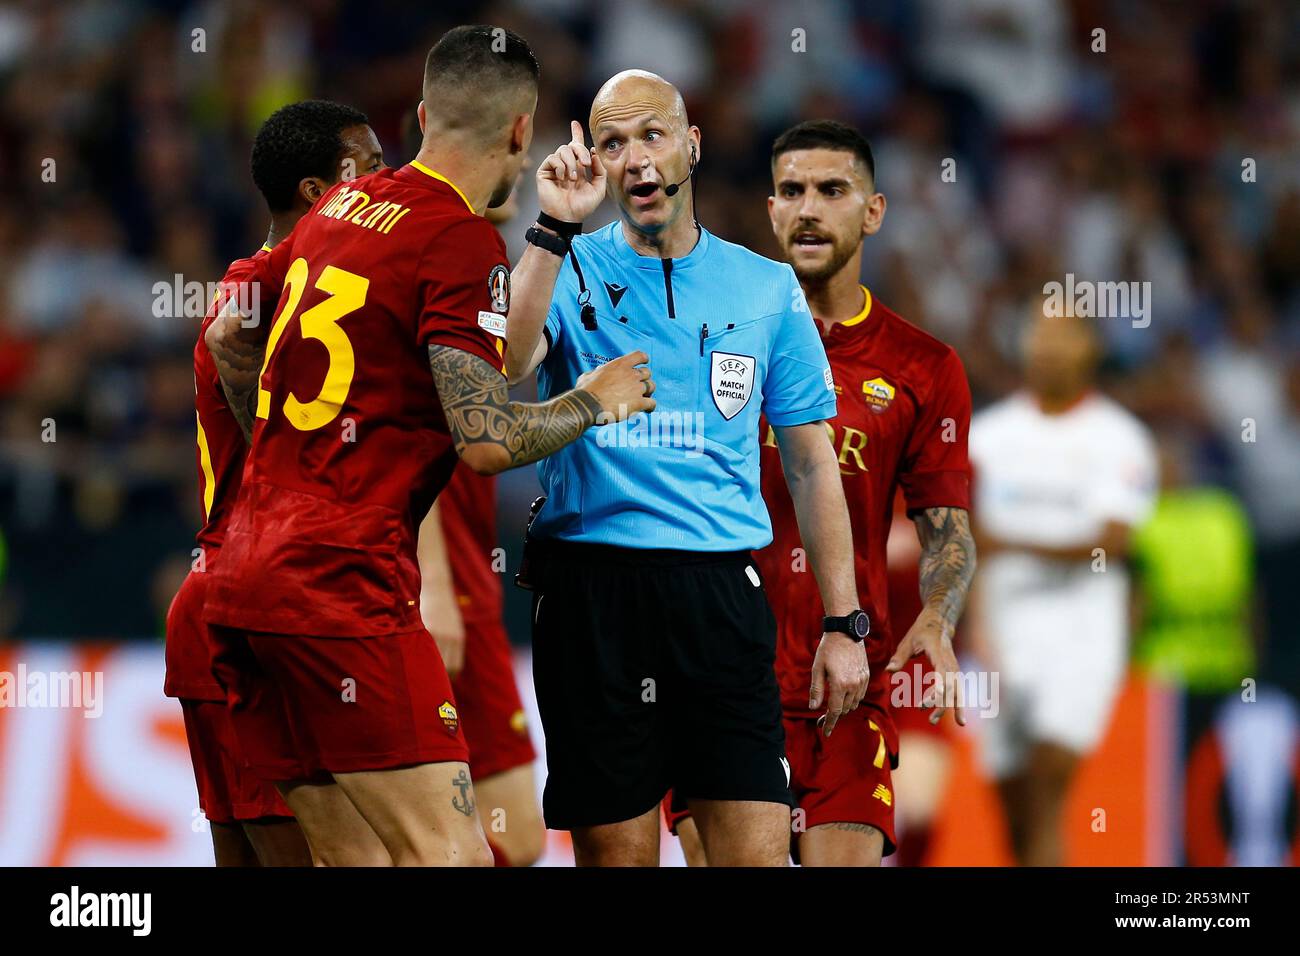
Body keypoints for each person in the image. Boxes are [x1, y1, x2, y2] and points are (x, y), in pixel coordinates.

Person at [201, 25, 654, 867]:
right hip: (341, 584)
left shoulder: (340, 206)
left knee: (357, 863)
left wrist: (273, 450)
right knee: (452, 857)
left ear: (419, 113)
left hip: (242, 579)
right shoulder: (455, 239)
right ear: (523, 131)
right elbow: (482, 439)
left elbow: (232, 330)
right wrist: (591, 403)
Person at [505, 74, 869, 867]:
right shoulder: (564, 265)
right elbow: (507, 362)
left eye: (652, 136)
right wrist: (550, 229)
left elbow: (810, 464)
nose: (635, 160)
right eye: (612, 143)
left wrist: (845, 622)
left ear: (692, 144)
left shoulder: (769, 288)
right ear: (594, 162)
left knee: (756, 856)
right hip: (590, 595)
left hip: (718, 600)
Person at [665, 119, 976, 866]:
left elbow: (948, 530)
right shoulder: (707, 340)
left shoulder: (923, 366)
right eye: (792, 191)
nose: (809, 208)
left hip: (849, 679)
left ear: (872, 211)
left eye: (832, 190)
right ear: (771, 211)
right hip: (721, 680)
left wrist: (939, 611)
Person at [164, 99, 382, 867]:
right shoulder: (260, 299)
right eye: (375, 167)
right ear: (322, 190)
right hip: (260, 614)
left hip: (227, 607)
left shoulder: (289, 293)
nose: (391, 183)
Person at [969, 308, 1157, 867]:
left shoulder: (1119, 437)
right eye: (1040, 333)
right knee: (1015, 807)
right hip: (1002, 630)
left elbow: (1114, 541)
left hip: (1082, 629)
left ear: (1090, 348)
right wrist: (973, 620)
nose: (1050, 347)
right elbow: (961, 540)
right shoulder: (988, 435)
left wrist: (1005, 541)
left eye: (1064, 335)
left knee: (1051, 777)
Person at [416, 166, 546, 868]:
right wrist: (433, 582)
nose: (521, 165)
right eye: (510, 147)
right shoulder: (437, 261)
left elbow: (488, 416)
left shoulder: (487, 261)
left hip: (476, 586)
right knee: (427, 839)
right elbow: (413, 433)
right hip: (439, 591)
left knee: (516, 838)